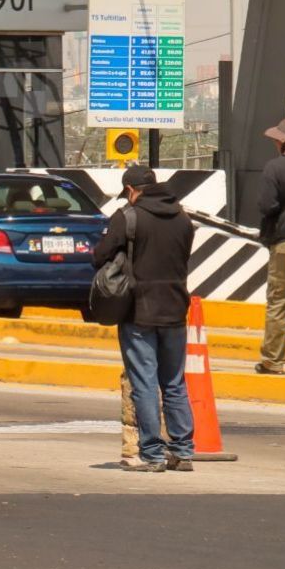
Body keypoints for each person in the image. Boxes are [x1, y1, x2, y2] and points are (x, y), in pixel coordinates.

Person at [93, 165, 195, 472]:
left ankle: (151, 453)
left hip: (139, 311)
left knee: (145, 383)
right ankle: (183, 450)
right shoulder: (183, 218)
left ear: (130, 190)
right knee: (175, 382)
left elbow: (100, 256)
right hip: (176, 309)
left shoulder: (128, 217)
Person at [254, 119, 285, 375]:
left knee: (279, 302)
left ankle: (272, 361)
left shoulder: (276, 168)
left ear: (284, 141)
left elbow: (267, 206)